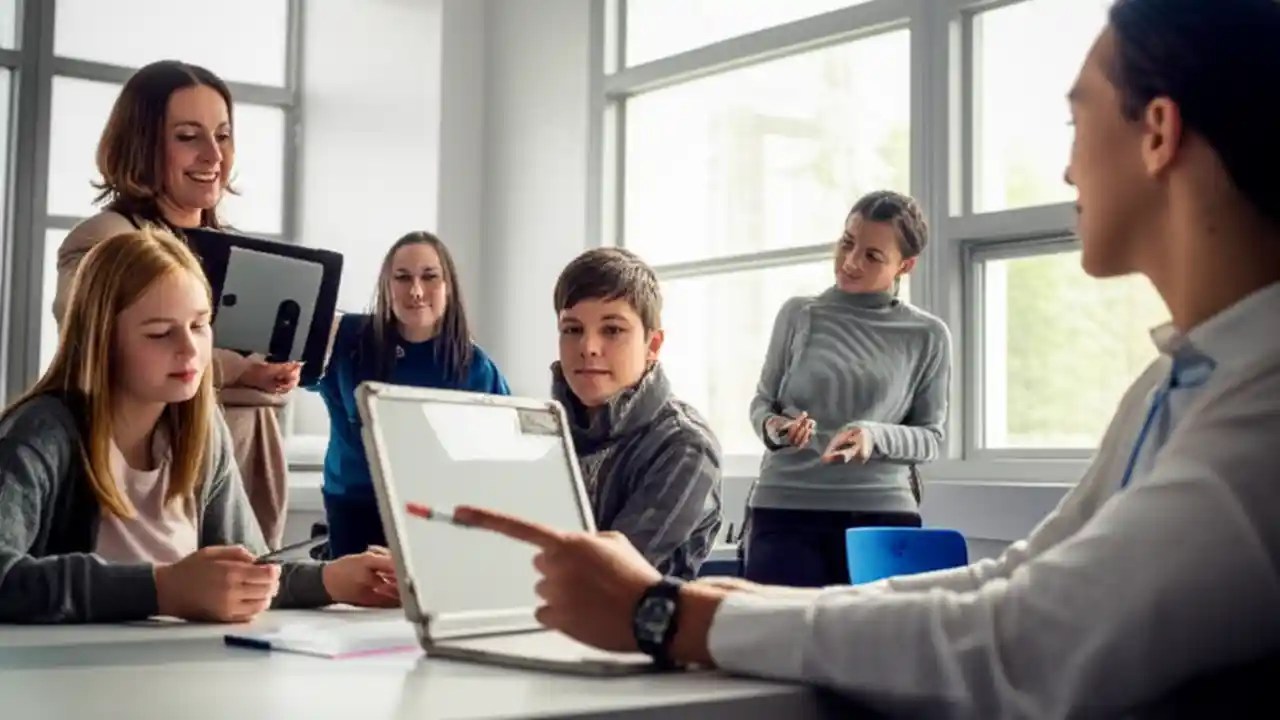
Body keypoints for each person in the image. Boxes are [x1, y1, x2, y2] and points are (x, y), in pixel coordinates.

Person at [412, 0, 1280, 715]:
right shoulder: (1175, 383)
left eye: (1076, 119)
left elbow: (1023, 635)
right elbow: (1013, 575)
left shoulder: (1258, 419)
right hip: (790, 517)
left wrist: (663, 613)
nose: (1064, 169)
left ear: (1158, 131)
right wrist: (724, 603)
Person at [0, 227, 397, 623]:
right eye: (160, 333)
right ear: (101, 340)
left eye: (200, 325)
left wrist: (333, 581)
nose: (190, 350)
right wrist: (162, 590)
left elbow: (246, 571)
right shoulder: (41, 434)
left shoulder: (202, 431)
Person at [52, 60, 299, 549]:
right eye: (189, 136)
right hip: (145, 501)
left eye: (223, 136)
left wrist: (264, 375)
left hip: (243, 487)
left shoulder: (237, 252)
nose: (214, 154)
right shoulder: (105, 240)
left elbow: (269, 379)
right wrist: (241, 372)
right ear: (143, 143)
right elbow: (98, 357)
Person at [745, 189, 950, 587]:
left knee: (874, 648)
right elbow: (762, 403)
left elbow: (931, 438)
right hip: (785, 509)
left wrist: (871, 436)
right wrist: (776, 430)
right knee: (777, 643)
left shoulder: (928, 335)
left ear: (905, 265)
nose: (851, 261)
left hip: (881, 518)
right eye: (847, 243)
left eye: (872, 255)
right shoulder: (797, 314)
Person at [309, 231, 510, 558]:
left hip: (434, 511)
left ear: (448, 287)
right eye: (402, 278)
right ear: (387, 287)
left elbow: (500, 461)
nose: (416, 291)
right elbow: (289, 370)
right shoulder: (347, 339)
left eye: (429, 277)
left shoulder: (476, 368)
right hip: (353, 507)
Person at [550, 247, 722, 580]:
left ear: (653, 345)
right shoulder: (541, 433)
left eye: (612, 330)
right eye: (572, 329)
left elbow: (606, 577)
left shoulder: (685, 446)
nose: (588, 347)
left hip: (630, 629)